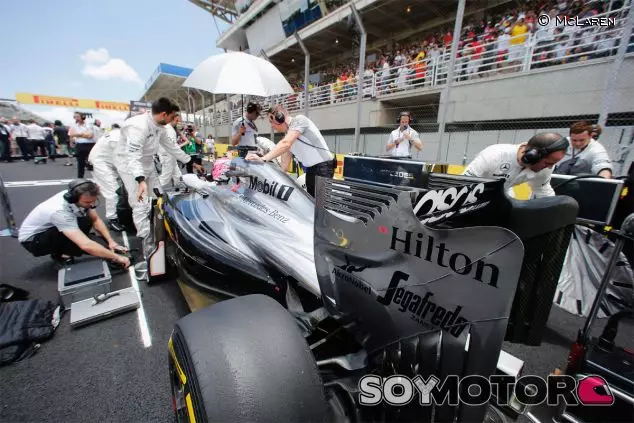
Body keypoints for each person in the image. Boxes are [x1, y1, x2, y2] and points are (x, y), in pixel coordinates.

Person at [115, 97, 203, 254]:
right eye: (172, 116)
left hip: (147, 163)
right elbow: (133, 156)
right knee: (140, 205)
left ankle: (159, 229)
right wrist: (140, 180)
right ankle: (147, 246)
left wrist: (192, 162)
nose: (173, 120)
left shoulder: (160, 127)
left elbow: (172, 148)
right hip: (129, 166)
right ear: (164, 114)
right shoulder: (138, 126)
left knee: (158, 196)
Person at [18, 179, 130, 269]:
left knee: (87, 221)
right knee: (84, 232)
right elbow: (85, 244)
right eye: (87, 202)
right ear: (73, 198)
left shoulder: (78, 197)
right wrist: (116, 257)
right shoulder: (60, 212)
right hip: (34, 241)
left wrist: (111, 242)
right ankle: (62, 256)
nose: (91, 205)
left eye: (93, 201)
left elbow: (95, 219)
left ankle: (68, 247)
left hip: (53, 230)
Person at [246, 105, 335, 197]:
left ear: (279, 117)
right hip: (311, 171)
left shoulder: (300, 120)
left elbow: (285, 144)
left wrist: (263, 159)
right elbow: (284, 167)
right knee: (312, 205)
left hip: (323, 168)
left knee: (320, 208)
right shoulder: (288, 136)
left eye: (271, 122)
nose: (272, 126)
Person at [463, 132, 569, 198]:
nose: (550, 167)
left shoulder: (546, 168)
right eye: (547, 163)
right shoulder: (494, 154)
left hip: (503, 197)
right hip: (474, 197)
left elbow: (542, 190)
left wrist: (555, 209)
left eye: (553, 164)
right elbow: (463, 182)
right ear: (533, 155)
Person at [88, 124, 125, 232]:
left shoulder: (120, 134)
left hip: (109, 161)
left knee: (120, 188)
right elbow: (125, 161)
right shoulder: (117, 138)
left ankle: (119, 213)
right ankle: (112, 218)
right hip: (100, 163)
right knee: (112, 191)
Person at [158, 115, 188, 188]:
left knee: (178, 176)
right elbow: (171, 146)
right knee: (165, 178)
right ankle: (154, 195)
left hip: (170, 156)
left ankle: (179, 189)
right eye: (177, 121)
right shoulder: (168, 129)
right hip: (168, 155)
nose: (178, 123)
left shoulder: (169, 128)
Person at [68, 112, 95, 178]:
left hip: (90, 145)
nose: (76, 118)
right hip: (79, 146)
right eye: (75, 117)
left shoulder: (89, 125)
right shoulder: (73, 126)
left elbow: (90, 136)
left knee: (93, 163)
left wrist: (78, 134)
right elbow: (71, 135)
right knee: (80, 164)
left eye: (78, 117)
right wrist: (71, 143)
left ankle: (97, 179)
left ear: (83, 117)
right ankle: (80, 179)